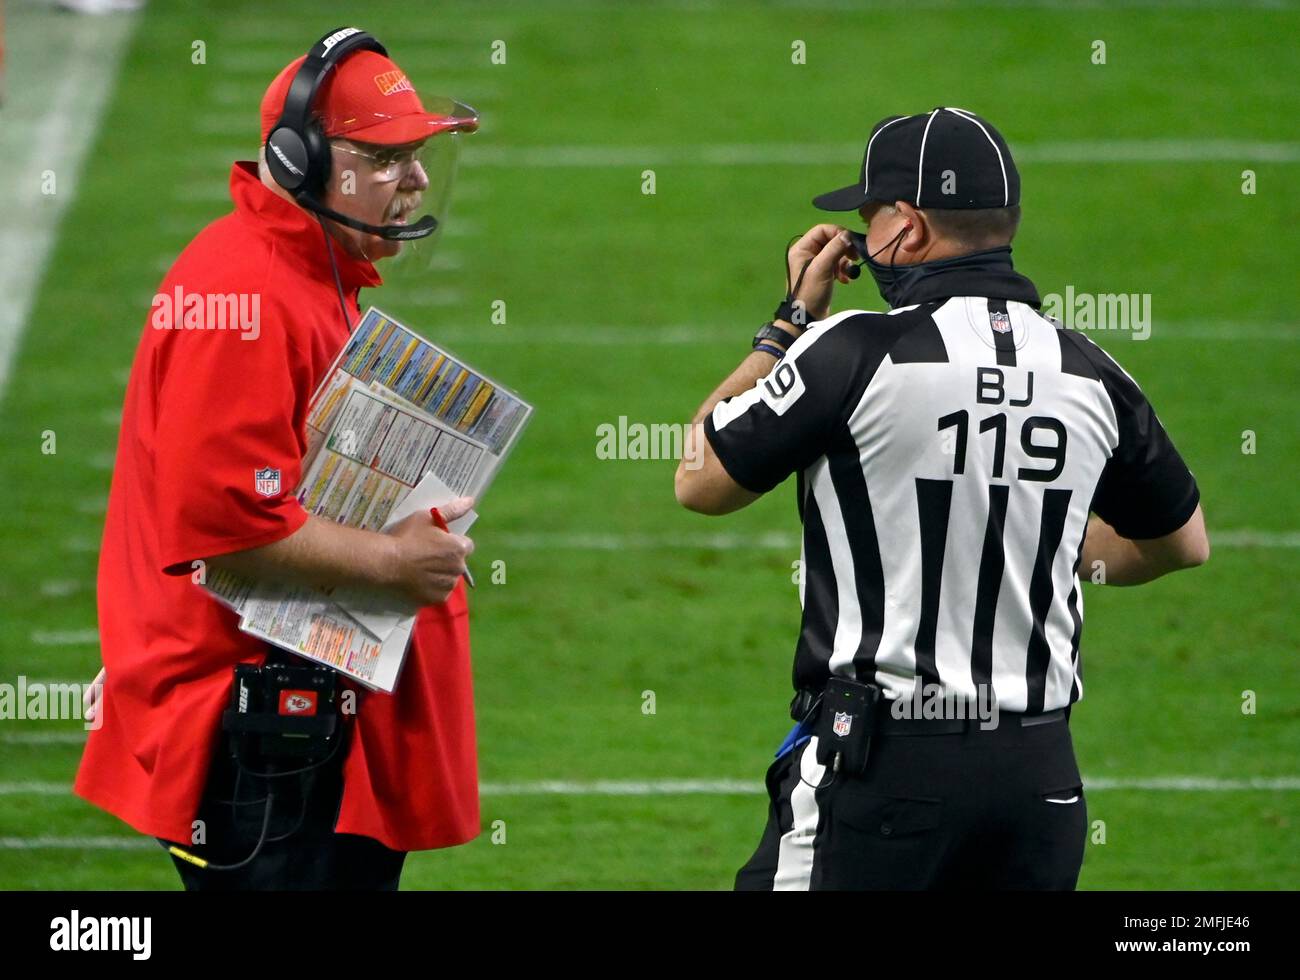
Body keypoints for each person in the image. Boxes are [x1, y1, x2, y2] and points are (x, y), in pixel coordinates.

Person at [674, 107, 1209, 890]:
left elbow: (700, 479)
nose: (861, 235)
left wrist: (788, 321)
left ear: (911, 228)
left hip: (882, 770)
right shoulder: (1093, 370)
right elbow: (1181, 543)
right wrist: (1038, 535)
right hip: (1038, 780)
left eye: (869, 217)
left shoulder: (853, 349)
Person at [75, 28, 483, 890]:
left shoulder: (302, 273)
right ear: (301, 161)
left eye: (416, 158)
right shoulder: (248, 301)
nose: (414, 182)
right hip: (250, 740)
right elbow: (226, 531)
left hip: (284, 717)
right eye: (387, 159)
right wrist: (392, 560)